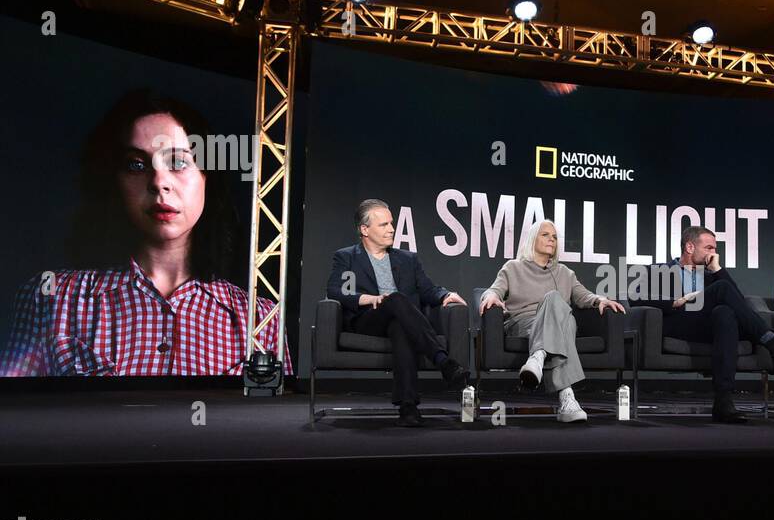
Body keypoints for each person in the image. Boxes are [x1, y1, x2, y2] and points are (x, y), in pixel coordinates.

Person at [0, 89, 289, 377]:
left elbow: (276, 420)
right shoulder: (50, 298)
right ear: (114, 181)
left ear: (206, 177)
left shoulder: (261, 320)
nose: (159, 183)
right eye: (136, 165)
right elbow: (14, 414)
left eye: (178, 162)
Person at [632, 225, 774, 423]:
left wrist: (718, 270)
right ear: (689, 247)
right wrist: (675, 302)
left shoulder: (713, 274)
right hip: (677, 322)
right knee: (722, 290)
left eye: (715, 248)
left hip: (705, 325)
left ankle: (723, 401)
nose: (714, 253)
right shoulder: (659, 270)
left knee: (725, 314)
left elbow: (739, 302)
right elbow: (635, 298)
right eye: (709, 248)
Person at [326, 199, 470, 426]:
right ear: (364, 230)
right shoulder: (347, 257)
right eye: (383, 224)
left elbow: (427, 289)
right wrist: (370, 299)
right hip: (368, 320)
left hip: (401, 320)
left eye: (391, 223)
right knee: (395, 299)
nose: (391, 229)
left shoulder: (407, 259)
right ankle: (443, 361)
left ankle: (408, 408)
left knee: (400, 325)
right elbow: (335, 291)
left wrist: (445, 295)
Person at [479, 220, 626, 423]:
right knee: (557, 306)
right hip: (524, 324)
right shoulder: (513, 267)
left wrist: (600, 300)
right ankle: (567, 397)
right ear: (533, 239)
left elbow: (584, 296)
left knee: (556, 302)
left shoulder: (565, 273)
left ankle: (538, 356)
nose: (552, 240)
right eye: (545, 235)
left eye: (555, 237)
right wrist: (490, 297)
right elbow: (493, 290)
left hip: (559, 324)